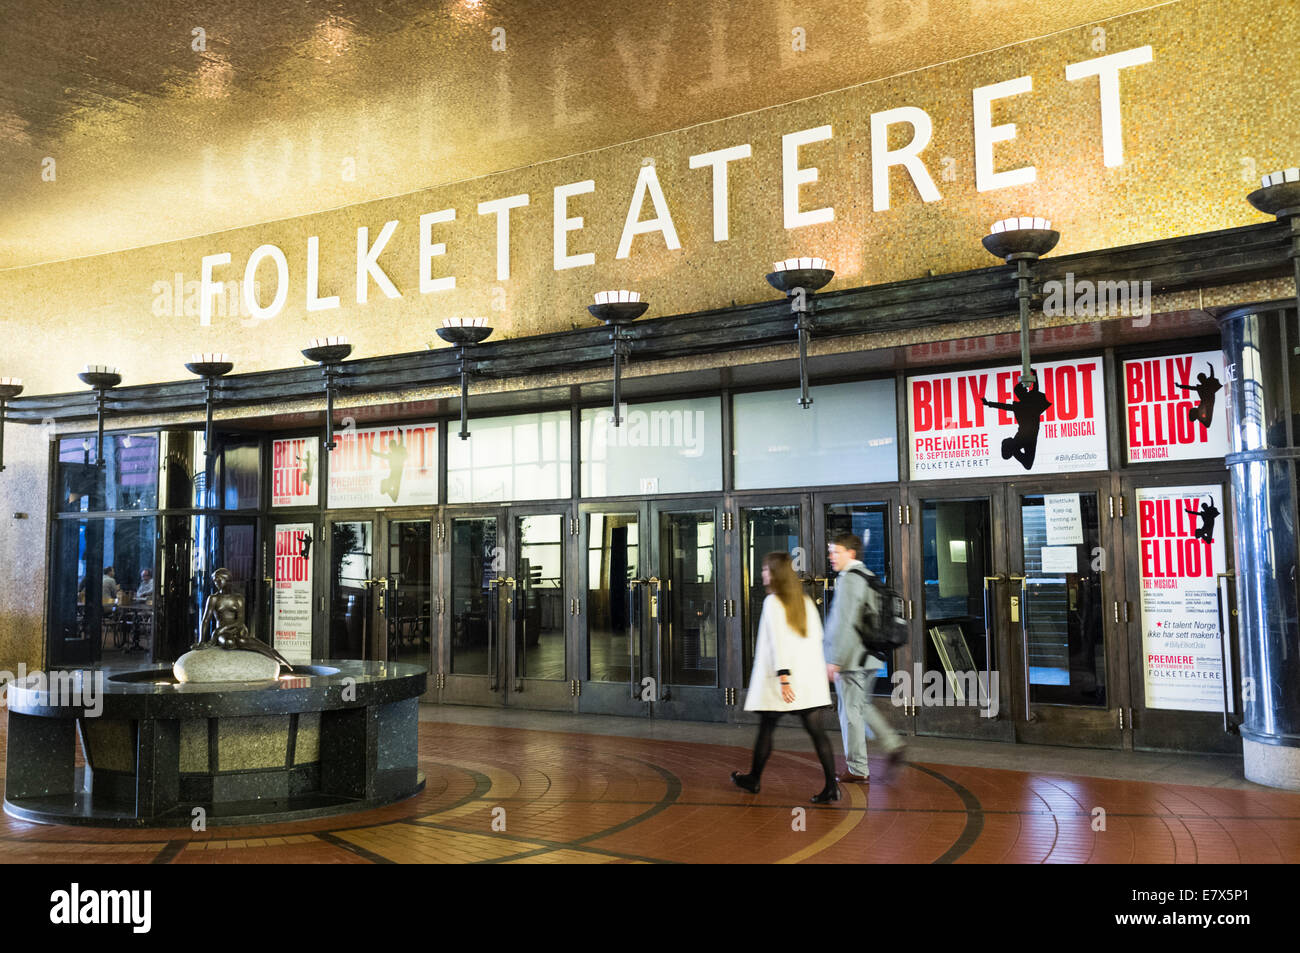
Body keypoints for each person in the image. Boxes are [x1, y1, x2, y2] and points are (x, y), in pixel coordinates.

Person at [731, 552, 839, 804]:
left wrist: (783, 676)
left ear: (777, 573)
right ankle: (831, 787)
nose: (763, 574)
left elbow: (778, 643)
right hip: (808, 681)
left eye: (767, 569)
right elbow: (816, 639)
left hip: (782, 682)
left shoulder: (773, 602)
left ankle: (754, 779)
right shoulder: (806, 602)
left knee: (767, 728)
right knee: (817, 732)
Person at [826, 532, 906, 783]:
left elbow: (845, 623)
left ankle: (857, 768)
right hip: (869, 656)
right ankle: (893, 744)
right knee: (861, 706)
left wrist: (835, 659)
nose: (831, 556)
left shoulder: (850, 579)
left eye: (836, 551)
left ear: (851, 553)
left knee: (849, 711)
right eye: (831, 551)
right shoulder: (869, 576)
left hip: (852, 659)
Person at [982, 376, 1052, 471]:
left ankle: (1009, 444)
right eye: (1025, 390)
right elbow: (1004, 406)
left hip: (1029, 438)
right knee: (1018, 460)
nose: (1027, 391)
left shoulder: (1029, 404)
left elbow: (1035, 390)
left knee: (1028, 465)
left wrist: (989, 403)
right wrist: (989, 403)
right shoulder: (1022, 406)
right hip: (1024, 436)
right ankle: (1009, 444)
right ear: (1021, 394)